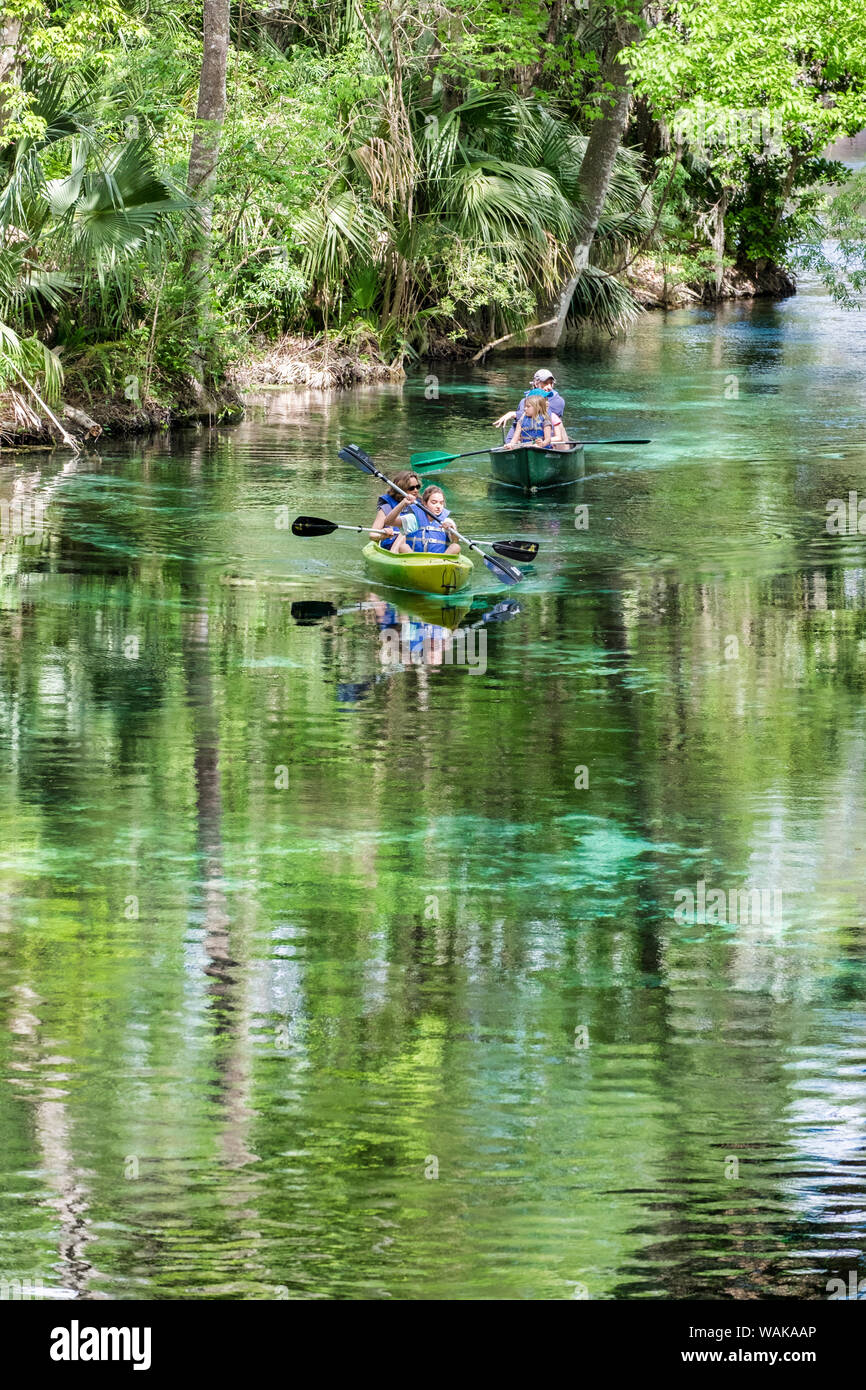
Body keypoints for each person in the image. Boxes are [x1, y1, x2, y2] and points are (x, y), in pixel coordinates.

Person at [494, 368, 566, 443]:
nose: (550, 387)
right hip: (528, 437)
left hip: (547, 437)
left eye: (551, 383)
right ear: (536, 383)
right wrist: (511, 442)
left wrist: (514, 414)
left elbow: (547, 415)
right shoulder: (523, 401)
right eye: (545, 383)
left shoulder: (558, 401)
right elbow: (519, 421)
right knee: (511, 439)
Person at [370, 471, 425, 553]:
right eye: (411, 488)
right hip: (393, 548)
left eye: (417, 487)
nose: (416, 490)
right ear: (401, 489)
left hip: (416, 546)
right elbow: (372, 535)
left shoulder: (421, 504)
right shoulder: (387, 507)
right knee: (405, 532)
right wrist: (383, 535)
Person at [405, 486, 461, 554]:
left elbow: (455, 540)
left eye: (441, 503)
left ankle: (441, 562)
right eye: (434, 502)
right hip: (416, 559)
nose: (438, 506)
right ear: (425, 503)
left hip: (438, 560)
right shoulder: (413, 518)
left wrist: (452, 530)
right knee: (403, 546)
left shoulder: (447, 521)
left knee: (456, 546)